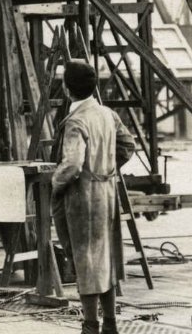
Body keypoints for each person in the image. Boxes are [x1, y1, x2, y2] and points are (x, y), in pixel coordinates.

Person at [52, 59, 135, 334]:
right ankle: (110, 324)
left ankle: (90, 326)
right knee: (106, 259)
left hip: (83, 198)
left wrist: (54, 182)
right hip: (107, 195)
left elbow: (73, 164)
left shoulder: (76, 121)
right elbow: (128, 145)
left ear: (66, 89)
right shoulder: (106, 113)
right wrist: (106, 171)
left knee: (85, 261)